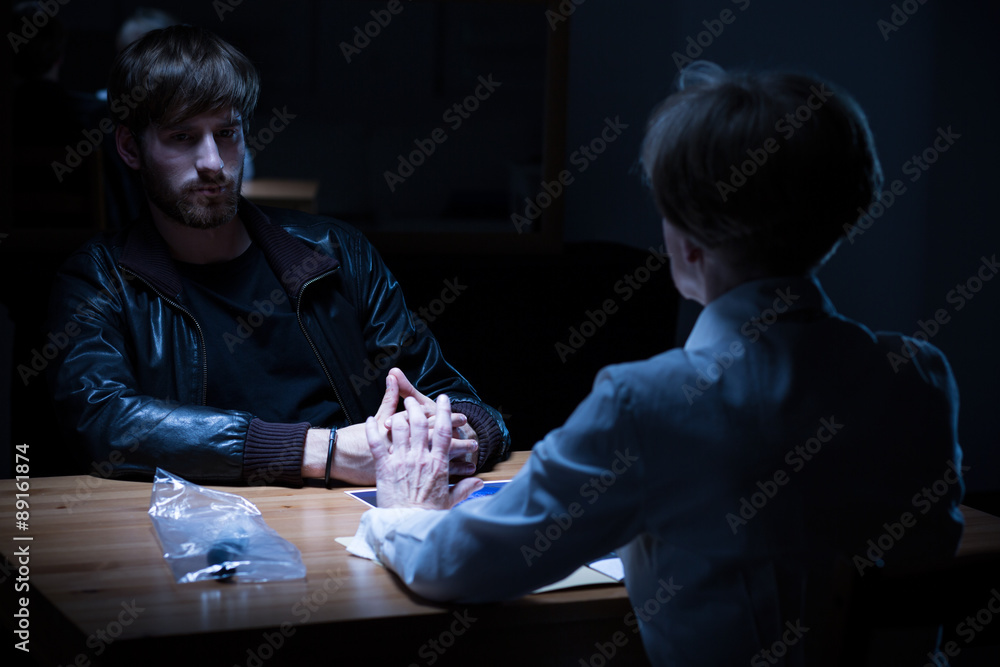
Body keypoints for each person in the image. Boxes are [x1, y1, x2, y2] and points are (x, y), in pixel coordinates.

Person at [349, 62, 965, 665]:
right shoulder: (920, 376)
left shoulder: (649, 402)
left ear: (688, 239)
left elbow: (456, 569)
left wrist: (402, 511)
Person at [46, 25, 509, 487]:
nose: (212, 161)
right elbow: (104, 420)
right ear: (130, 147)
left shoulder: (336, 252)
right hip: (202, 534)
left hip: (357, 520)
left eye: (226, 133)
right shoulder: (98, 279)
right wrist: (325, 452)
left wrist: (462, 435)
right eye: (183, 137)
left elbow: (447, 393)